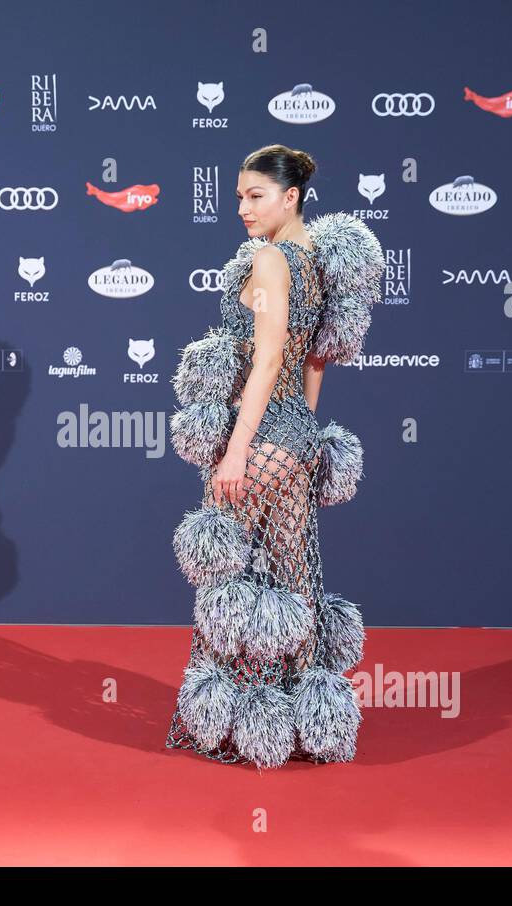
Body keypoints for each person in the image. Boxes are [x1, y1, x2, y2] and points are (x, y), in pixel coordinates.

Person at [165, 144, 384, 769]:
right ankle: (307, 720)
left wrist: (235, 452)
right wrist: (306, 432)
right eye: (238, 196)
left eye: (255, 195)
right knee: (294, 578)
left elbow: (264, 362)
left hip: (258, 438)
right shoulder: (318, 260)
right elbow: (316, 357)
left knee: (228, 578)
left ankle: (238, 719)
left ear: (290, 197)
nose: (243, 208)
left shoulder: (268, 260)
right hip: (296, 434)